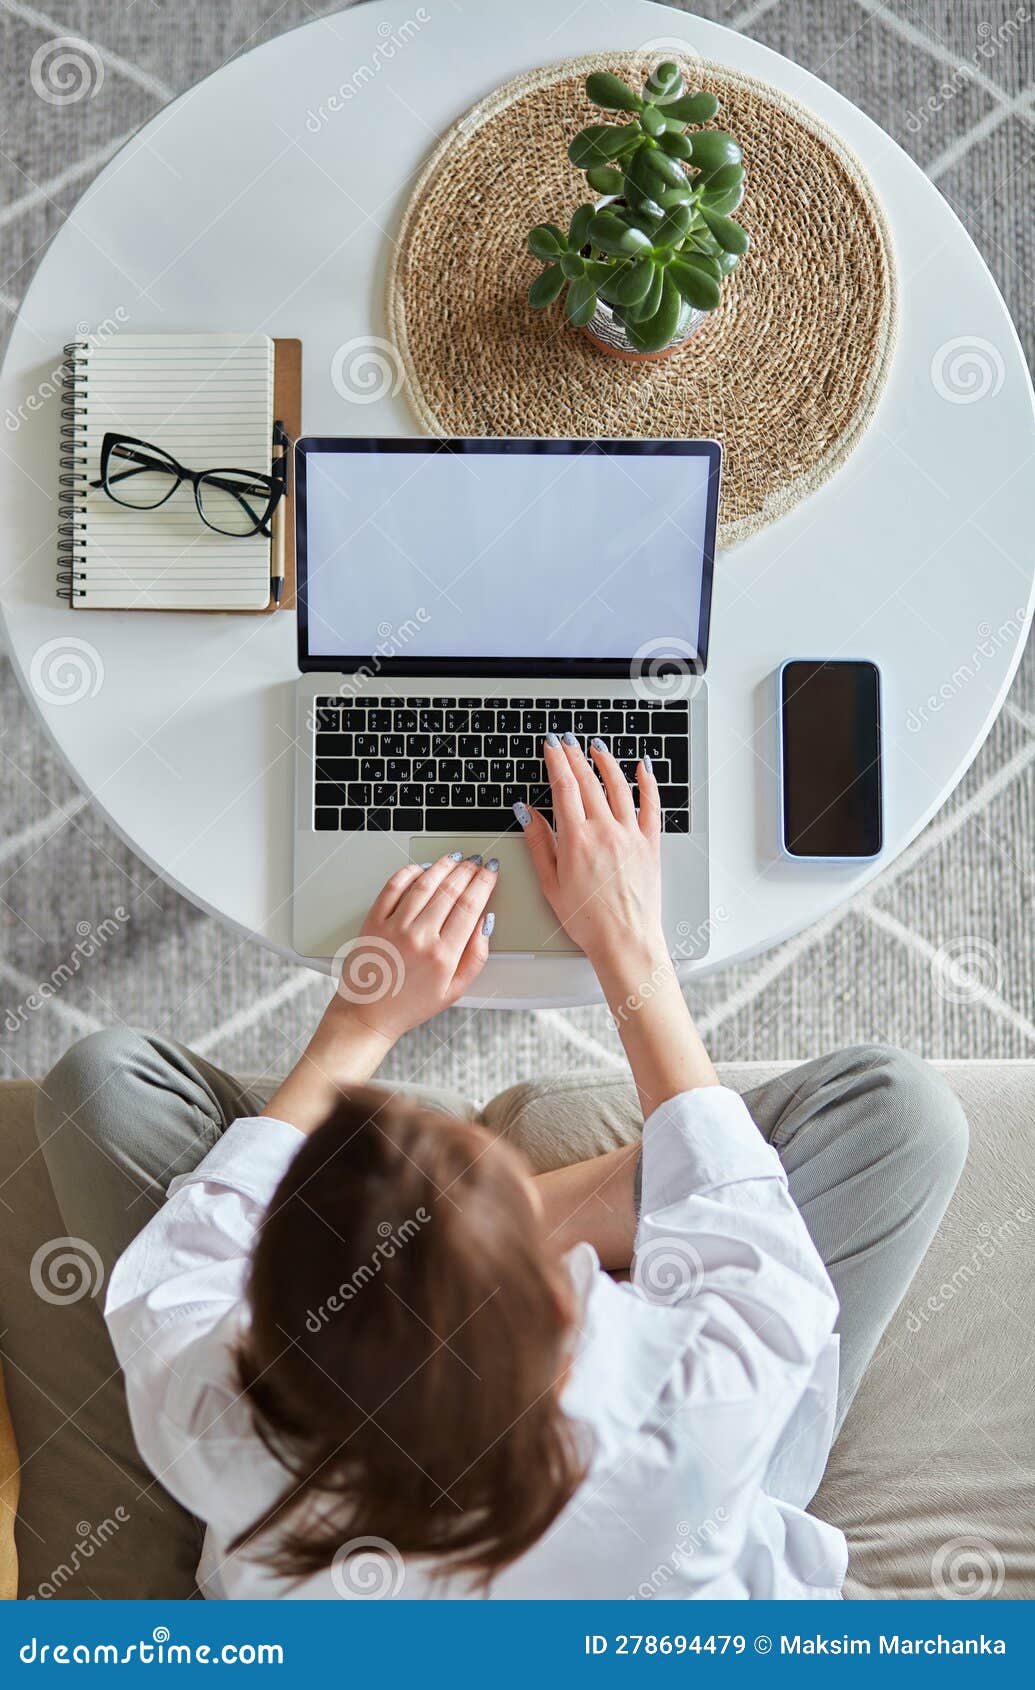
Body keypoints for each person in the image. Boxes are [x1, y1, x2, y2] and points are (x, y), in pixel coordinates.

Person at [36, 736, 968, 1600]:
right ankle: (475, 1233)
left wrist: (363, 1019)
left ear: (264, 1305)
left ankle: (452, 1240)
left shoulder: (215, 1399)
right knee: (897, 1112)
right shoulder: (701, 1407)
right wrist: (627, 942)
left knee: (102, 1089)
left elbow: (198, 1248)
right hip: (697, 1540)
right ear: (570, 1303)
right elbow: (739, 1211)